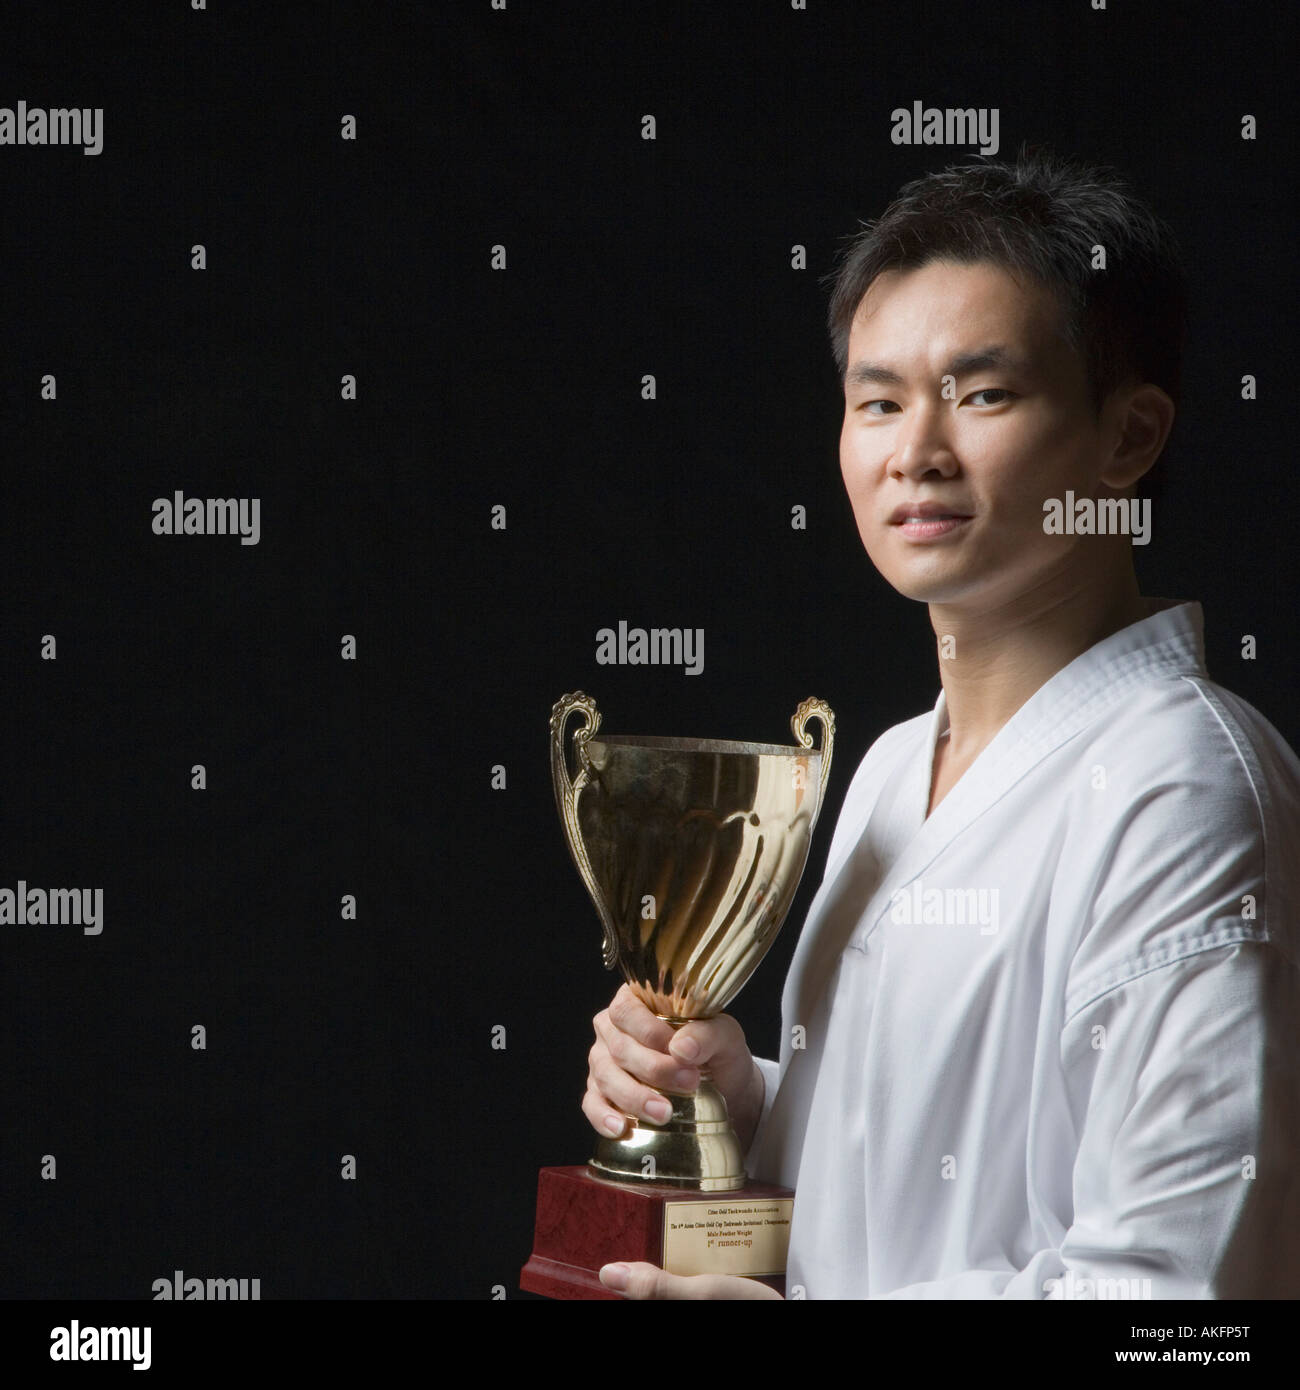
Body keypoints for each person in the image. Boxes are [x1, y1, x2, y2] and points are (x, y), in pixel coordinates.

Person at [582, 147, 1300, 1300]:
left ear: (1128, 436)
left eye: (981, 394)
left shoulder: (1180, 787)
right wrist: (741, 1104)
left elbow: (1176, 1309)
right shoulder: (888, 768)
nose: (914, 451)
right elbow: (921, 1193)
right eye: (877, 401)